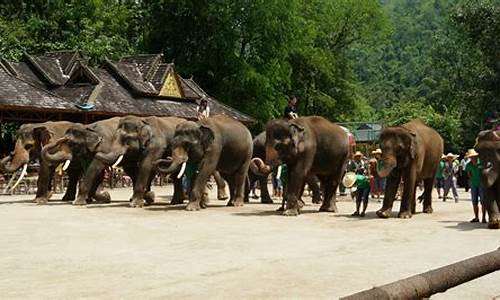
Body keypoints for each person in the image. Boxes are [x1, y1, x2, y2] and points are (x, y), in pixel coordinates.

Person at [465, 149, 486, 223]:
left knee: (483, 201)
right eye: (471, 157)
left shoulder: (481, 163)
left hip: (481, 184)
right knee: (474, 201)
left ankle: (484, 218)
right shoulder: (468, 165)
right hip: (473, 184)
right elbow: (469, 174)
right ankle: (476, 217)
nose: (473, 158)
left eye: (474, 156)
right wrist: (472, 182)